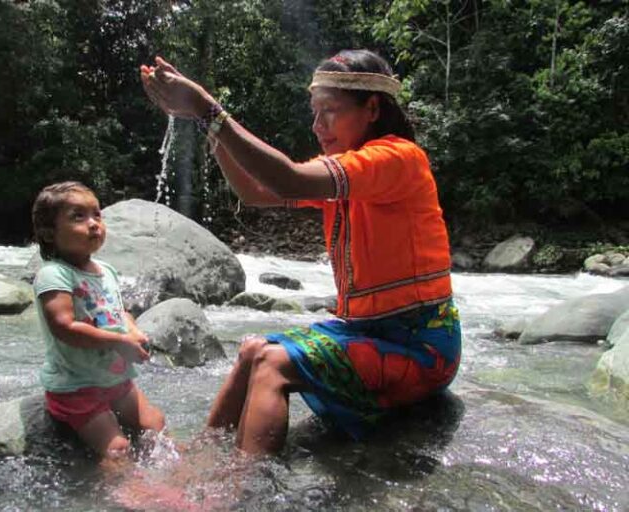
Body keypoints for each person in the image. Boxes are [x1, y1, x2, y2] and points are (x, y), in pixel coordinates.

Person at [140, 49, 461, 455]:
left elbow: (288, 180)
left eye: (330, 110)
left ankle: (245, 490)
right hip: (366, 332)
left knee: (273, 364)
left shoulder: (397, 158)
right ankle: (198, 461)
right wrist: (205, 123)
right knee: (253, 350)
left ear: (373, 108)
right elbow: (255, 192)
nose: (317, 125)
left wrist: (209, 110)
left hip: (421, 347)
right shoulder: (346, 168)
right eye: (315, 111)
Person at [31, 181, 165, 465]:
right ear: (48, 233)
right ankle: (123, 496)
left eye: (97, 214)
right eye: (78, 217)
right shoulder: (54, 274)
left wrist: (132, 330)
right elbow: (64, 327)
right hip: (76, 386)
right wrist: (118, 341)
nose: (93, 224)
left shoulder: (106, 271)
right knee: (117, 447)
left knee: (155, 423)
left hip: (116, 379)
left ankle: (176, 479)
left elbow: (120, 312)